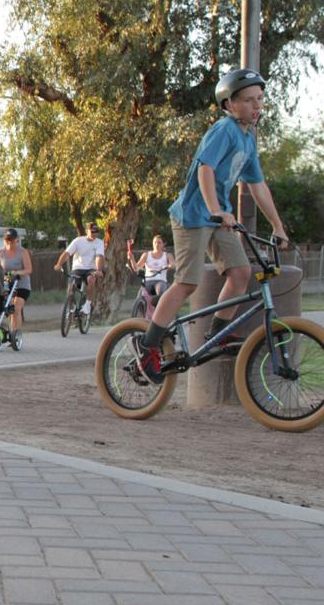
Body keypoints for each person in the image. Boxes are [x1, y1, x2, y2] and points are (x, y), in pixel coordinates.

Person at [134, 68, 288, 382]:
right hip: (193, 215)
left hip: (220, 218)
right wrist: (216, 210)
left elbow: (258, 186)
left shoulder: (248, 139)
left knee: (241, 272)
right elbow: (205, 169)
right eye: (248, 100)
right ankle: (148, 345)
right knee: (187, 283)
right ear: (229, 105)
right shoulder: (224, 130)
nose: (256, 106)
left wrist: (278, 226)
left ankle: (218, 334)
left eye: (259, 99)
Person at [54, 222, 105, 314]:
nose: (95, 234)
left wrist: (98, 270)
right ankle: (70, 309)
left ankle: (88, 304)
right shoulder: (78, 241)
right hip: (78, 268)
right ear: (87, 231)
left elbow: (99, 256)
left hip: (91, 268)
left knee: (91, 279)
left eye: (96, 232)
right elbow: (67, 253)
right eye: (92, 232)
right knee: (71, 288)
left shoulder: (99, 242)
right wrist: (59, 264)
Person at [0, 228, 31, 343]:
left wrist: (17, 272)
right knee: (8, 309)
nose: (9, 243)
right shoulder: (0, 252)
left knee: (16, 307)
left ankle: (15, 335)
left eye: (12, 241)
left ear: (16, 240)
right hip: (7, 285)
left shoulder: (22, 252)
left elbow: (29, 270)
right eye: (7, 240)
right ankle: (11, 331)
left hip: (21, 284)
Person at [131, 234, 171, 301]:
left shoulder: (167, 255)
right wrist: (132, 259)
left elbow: (173, 264)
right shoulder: (146, 255)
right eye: (155, 242)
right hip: (147, 281)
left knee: (161, 290)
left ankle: (157, 303)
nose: (156, 244)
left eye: (159, 242)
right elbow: (136, 268)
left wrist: (169, 266)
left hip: (160, 281)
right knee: (139, 297)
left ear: (163, 244)